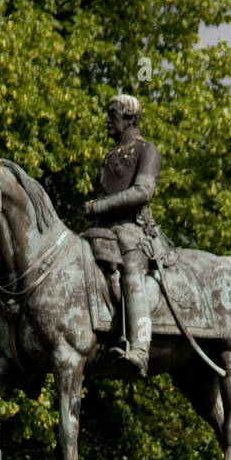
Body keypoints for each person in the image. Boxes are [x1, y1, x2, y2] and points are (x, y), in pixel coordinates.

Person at [83, 94, 162, 379]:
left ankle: (140, 349)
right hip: (102, 230)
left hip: (133, 229)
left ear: (131, 118)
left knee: (131, 269)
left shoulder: (147, 151)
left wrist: (99, 207)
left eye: (113, 114)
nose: (108, 119)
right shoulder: (110, 155)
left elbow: (143, 191)